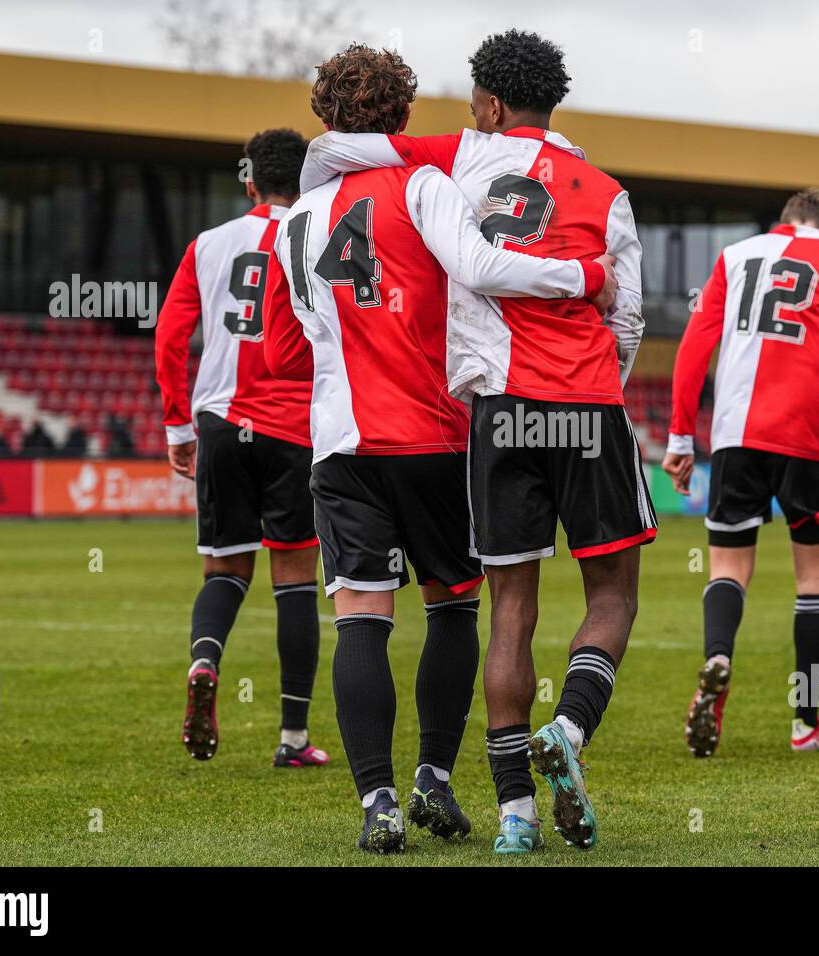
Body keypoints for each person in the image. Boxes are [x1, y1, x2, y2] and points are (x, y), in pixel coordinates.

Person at [298, 29, 647, 854]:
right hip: (541, 412)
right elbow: (625, 318)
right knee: (607, 597)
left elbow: (319, 299)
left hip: (441, 420)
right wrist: (588, 306)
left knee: (502, 613)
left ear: (489, 105)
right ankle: (549, 735)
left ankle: (509, 815)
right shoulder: (597, 187)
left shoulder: (458, 165)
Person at [663, 187, 819, 756]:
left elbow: (694, 349)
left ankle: (718, 657)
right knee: (814, 578)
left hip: (736, 434)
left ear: (785, 223)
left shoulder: (735, 255)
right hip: (808, 437)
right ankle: (806, 723)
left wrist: (681, 437)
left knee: (728, 567)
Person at [155, 129, 326, 769]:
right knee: (295, 584)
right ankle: (292, 739)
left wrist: (178, 429)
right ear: (305, 180)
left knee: (225, 570)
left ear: (250, 180)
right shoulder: (314, 237)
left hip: (222, 423)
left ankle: (205, 661)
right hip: (294, 427)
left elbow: (170, 338)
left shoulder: (208, 244)